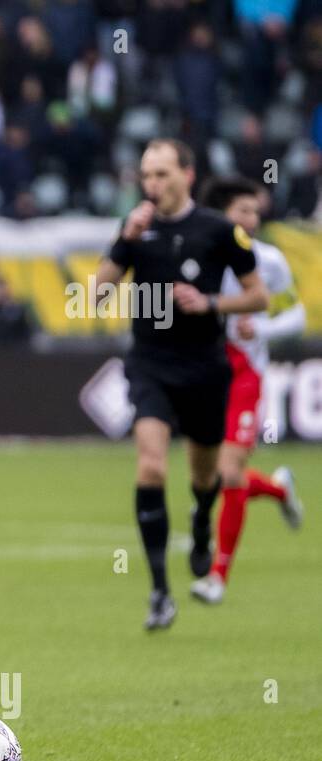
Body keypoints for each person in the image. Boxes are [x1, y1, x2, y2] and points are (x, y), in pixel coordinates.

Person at [93, 138, 268, 631]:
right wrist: (124, 241)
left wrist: (211, 303)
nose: (153, 185)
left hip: (205, 368)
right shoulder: (135, 228)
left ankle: (200, 522)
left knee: (203, 475)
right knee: (151, 466)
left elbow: (259, 298)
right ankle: (159, 591)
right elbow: (97, 293)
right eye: (147, 176)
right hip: (150, 363)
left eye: (163, 174)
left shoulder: (219, 231)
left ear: (187, 176)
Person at [190, 176, 305, 604]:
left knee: (230, 473)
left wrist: (261, 325)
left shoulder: (269, 261)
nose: (253, 220)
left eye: (256, 212)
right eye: (244, 211)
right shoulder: (199, 255)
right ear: (222, 215)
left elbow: (297, 314)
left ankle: (217, 576)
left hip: (244, 376)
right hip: (204, 375)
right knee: (213, 475)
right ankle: (278, 489)